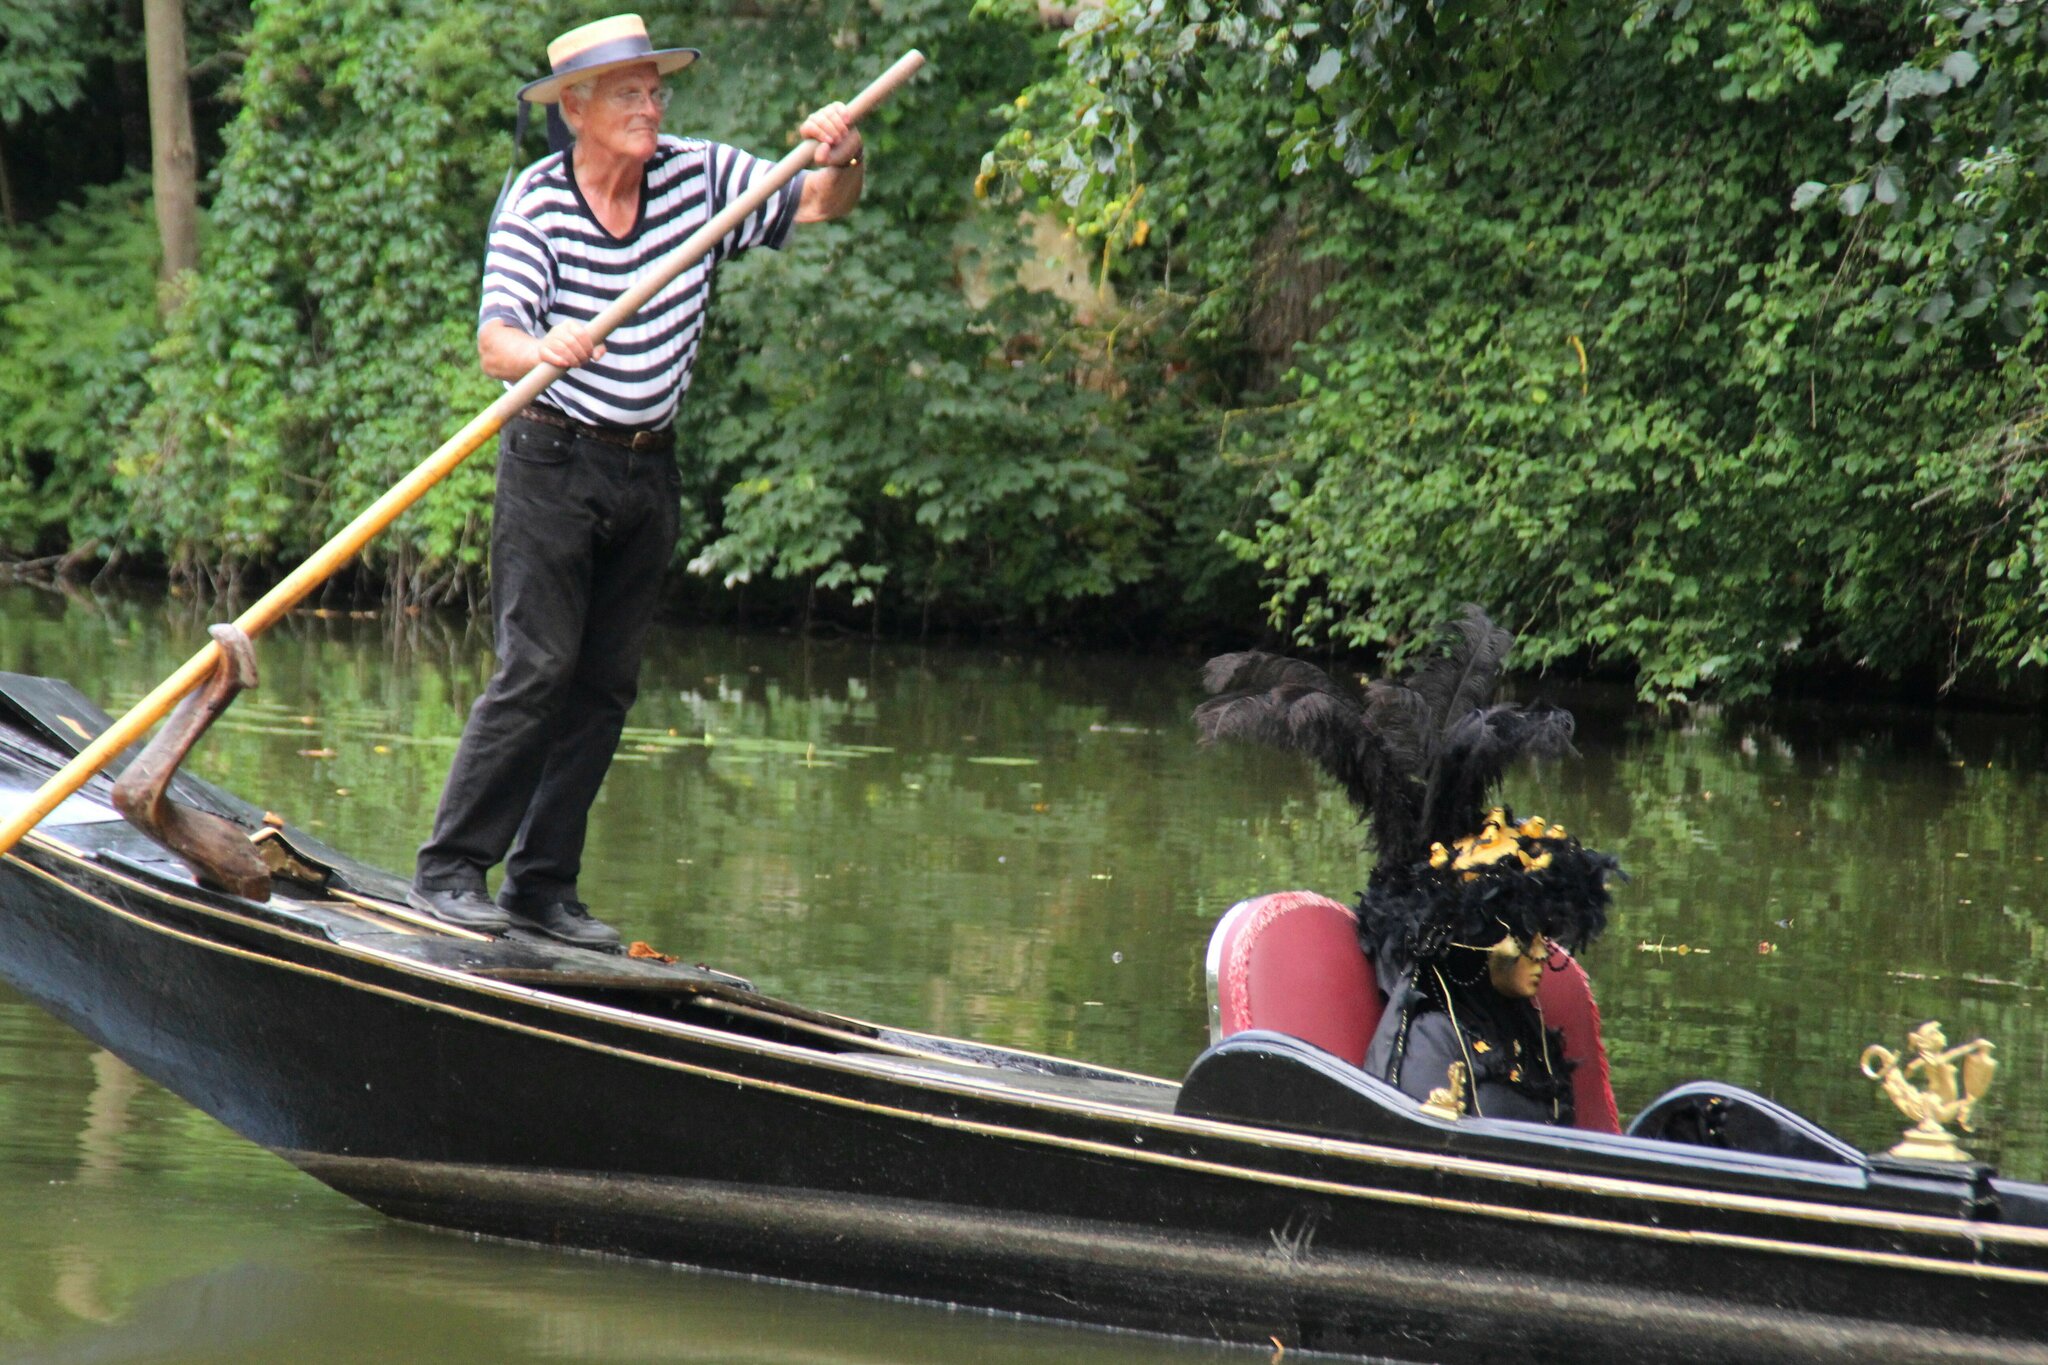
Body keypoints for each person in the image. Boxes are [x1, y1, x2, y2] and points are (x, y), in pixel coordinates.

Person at [409, 15, 866, 946]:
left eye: (656, 91)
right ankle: (451, 867)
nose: (652, 107)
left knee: (606, 682)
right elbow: (498, 343)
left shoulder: (698, 176)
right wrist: (548, 345)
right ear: (575, 108)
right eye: (629, 93)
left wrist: (844, 154)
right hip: (551, 455)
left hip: (647, 466)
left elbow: (820, 203)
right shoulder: (535, 203)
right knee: (537, 666)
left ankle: (541, 885)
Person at [1195, 607, 1621, 1125]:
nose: (1541, 952)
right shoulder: (1435, 1040)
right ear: (1474, 942)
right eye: (1523, 934)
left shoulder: (1524, 1025)